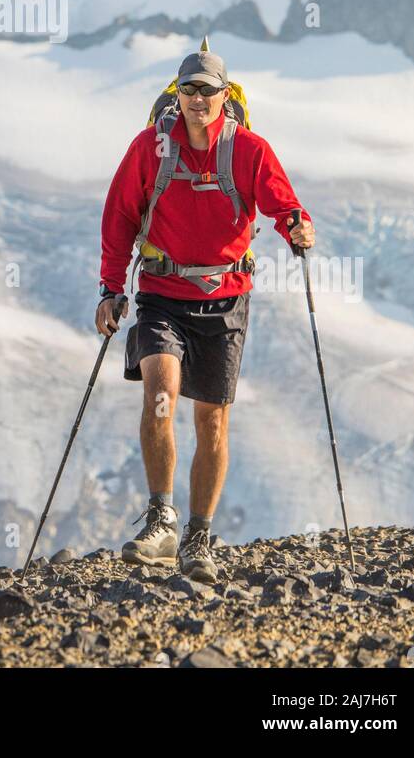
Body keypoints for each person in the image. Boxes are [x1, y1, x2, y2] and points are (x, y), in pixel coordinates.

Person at [96, 44, 314, 583]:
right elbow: (120, 216)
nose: (197, 99)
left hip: (225, 298)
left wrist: (296, 228)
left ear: (224, 95)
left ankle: (198, 535)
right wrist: (108, 288)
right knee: (162, 395)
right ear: (177, 94)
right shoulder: (150, 149)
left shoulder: (249, 150)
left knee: (212, 418)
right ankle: (161, 518)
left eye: (207, 90)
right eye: (188, 89)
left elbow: (284, 205)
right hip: (161, 293)